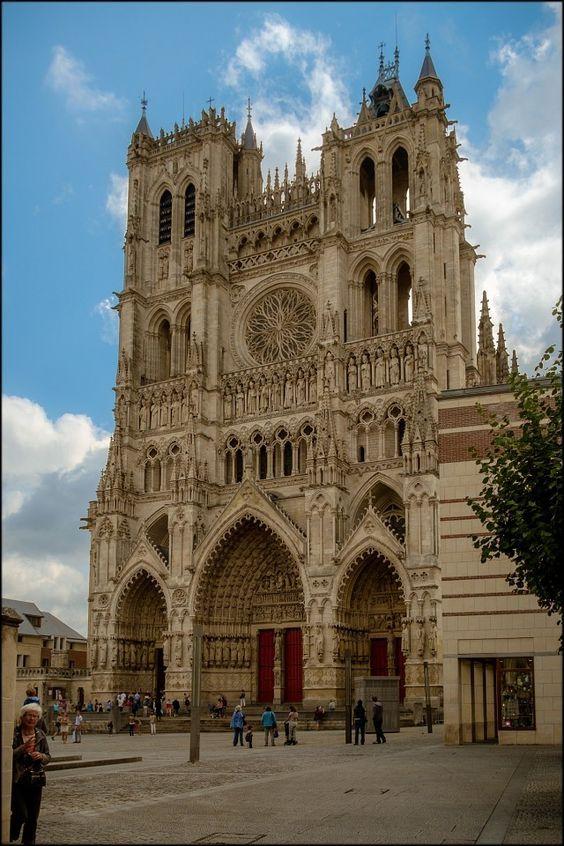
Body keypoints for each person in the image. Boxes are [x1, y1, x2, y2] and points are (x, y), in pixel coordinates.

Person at [10, 702, 51, 845]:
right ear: (23, 717)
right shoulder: (14, 733)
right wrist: (24, 747)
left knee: (33, 817)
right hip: (17, 779)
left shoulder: (41, 735)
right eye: (29, 715)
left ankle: (28, 841)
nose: (32, 719)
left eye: (35, 716)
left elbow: (48, 756)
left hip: (35, 779)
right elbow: (8, 755)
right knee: (21, 814)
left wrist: (41, 756)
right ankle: (11, 833)